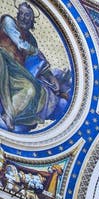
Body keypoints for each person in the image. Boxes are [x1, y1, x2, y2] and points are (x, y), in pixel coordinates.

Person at [0, 3, 72, 132]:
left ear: (32, 20)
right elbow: (20, 44)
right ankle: (9, 114)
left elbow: (36, 62)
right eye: (21, 14)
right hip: (3, 60)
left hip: (17, 72)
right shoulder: (8, 21)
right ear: (17, 14)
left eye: (27, 15)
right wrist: (37, 51)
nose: (23, 17)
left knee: (32, 89)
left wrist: (50, 76)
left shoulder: (31, 39)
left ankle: (9, 116)